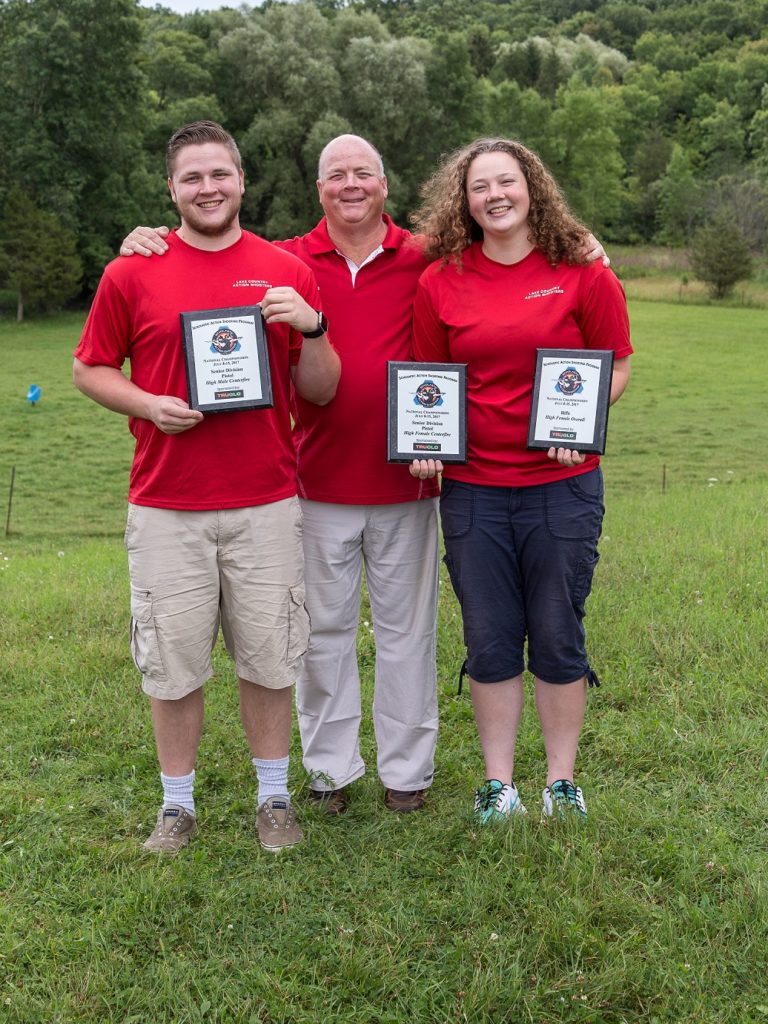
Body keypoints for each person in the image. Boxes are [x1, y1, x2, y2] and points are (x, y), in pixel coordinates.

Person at [119, 135, 608, 819]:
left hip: (410, 482)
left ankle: (408, 771)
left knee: (409, 635)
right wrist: (145, 237)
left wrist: (585, 242)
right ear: (317, 188)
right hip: (313, 481)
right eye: (334, 175)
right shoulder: (284, 261)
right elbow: (211, 253)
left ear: (386, 183)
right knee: (321, 635)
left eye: (364, 173)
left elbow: (515, 246)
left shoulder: (427, 257)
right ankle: (330, 770)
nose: (350, 184)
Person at [73, 120, 340, 854]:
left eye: (219, 174)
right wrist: (148, 405)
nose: (207, 188)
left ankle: (274, 798)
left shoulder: (285, 269)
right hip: (166, 504)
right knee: (173, 660)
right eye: (191, 177)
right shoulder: (133, 270)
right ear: (171, 188)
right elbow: (90, 367)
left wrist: (313, 328)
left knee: (269, 654)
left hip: (264, 500)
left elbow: (319, 391)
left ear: (242, 180)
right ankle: (177, 807)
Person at [409, 137, 632, 824]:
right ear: (464, 200)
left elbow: (617, 364)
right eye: (480, 187)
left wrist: (584, 421)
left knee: (559, 631)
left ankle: (561, 781)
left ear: (532, 187)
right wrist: (427, 448)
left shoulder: (584, 273)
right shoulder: (440, 279)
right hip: (474, 489)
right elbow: (428, 384)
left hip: (561, 486)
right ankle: (498, 784)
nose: (495, 196)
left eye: (507, 182)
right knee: (491, 635)